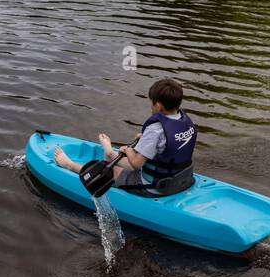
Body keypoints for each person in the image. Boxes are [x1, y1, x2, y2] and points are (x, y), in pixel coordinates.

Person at [54, 78, 198, 196]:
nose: (151, 107)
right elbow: (169, 145)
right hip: (181, 180)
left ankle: (70, 165)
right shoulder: (184, 121)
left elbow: (136, 164)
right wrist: (145, 140)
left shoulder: (156, 130)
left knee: (111, 172)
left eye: (152, 103)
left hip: (155, 187)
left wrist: (128, 150)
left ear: (159, 106)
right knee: (127, 161)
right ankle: (110, 154)